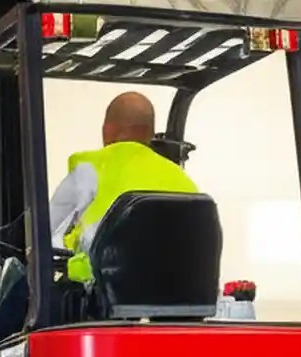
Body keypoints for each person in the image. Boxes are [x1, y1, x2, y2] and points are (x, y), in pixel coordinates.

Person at [48, 91, 198, 284]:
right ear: (150, 132)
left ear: (107, 128)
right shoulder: (184, 180)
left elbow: (46, 236)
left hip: (106, 293)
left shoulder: (90, 169)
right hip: (177, 295)